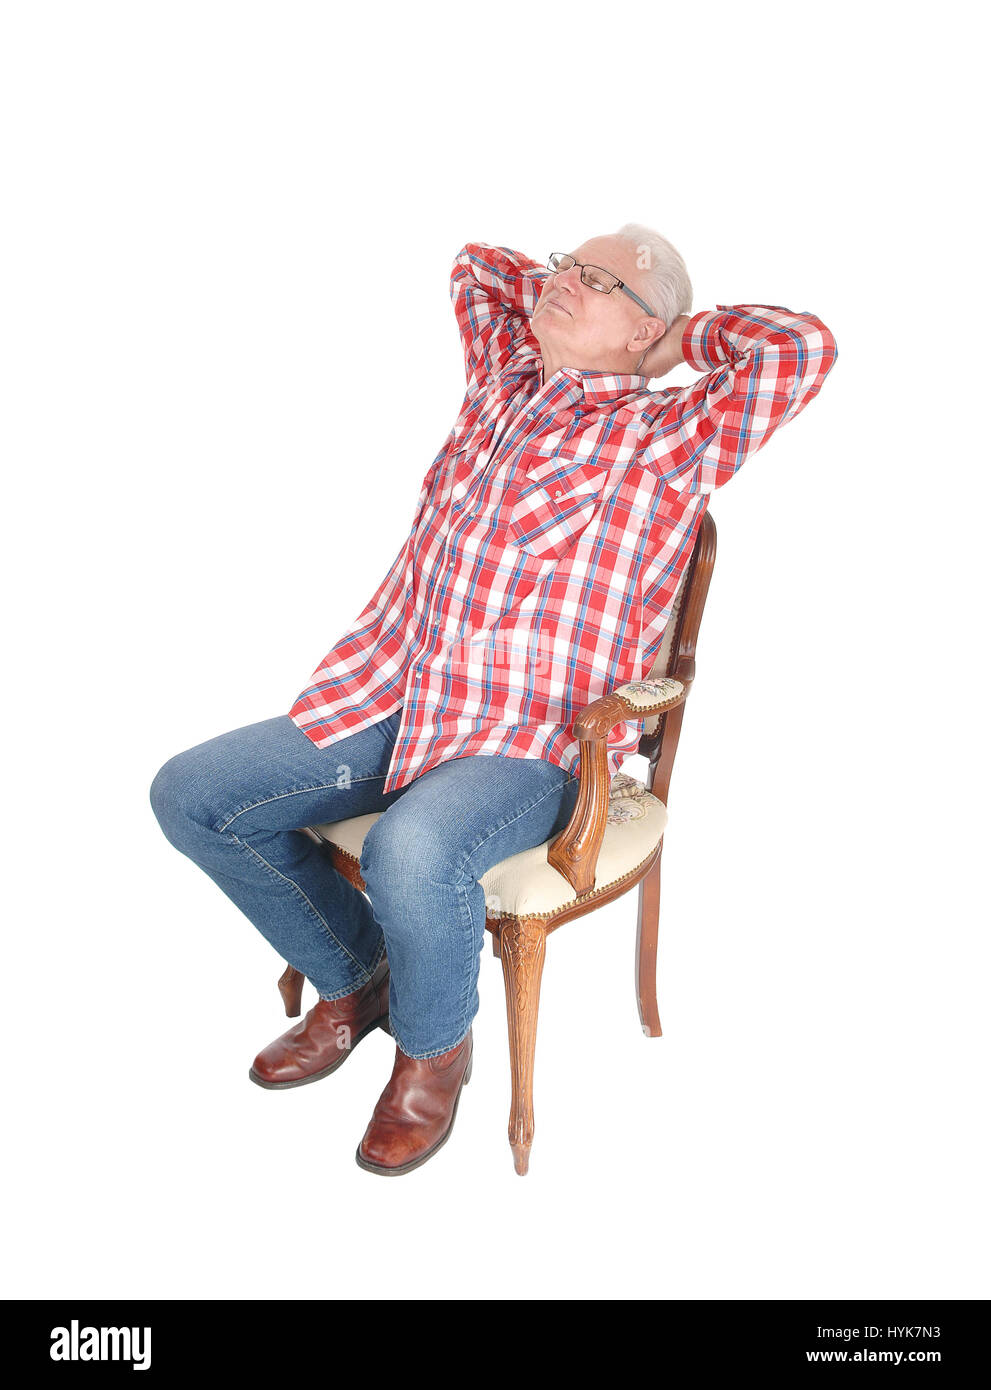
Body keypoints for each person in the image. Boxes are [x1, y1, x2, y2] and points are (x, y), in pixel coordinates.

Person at [150, 225, 838, 1176]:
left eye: (599, 283)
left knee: (413, 849)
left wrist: (676, 341)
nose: (562, 282)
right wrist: (592, 296)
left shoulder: (673, 436)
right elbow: (478, 263)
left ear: (648, 332)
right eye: (566, 265)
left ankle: (433, 1054)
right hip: (396, 690)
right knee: (194, 794)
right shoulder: (503, 381)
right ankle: (355, 980)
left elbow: (801, 347)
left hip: (530, 741)